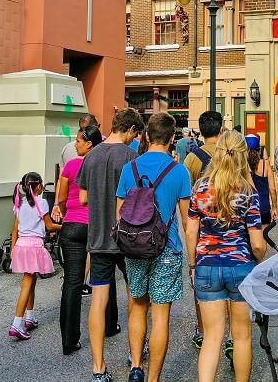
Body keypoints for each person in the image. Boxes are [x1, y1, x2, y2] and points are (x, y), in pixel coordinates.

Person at [115, 112, 191, 382]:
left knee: (137, 305)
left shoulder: (130, 168)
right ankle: (153, 378)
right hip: (167, 248)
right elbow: (186, 221)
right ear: (172, 139)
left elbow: (120, 213)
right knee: (161, 316)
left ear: (146, 136)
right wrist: (192, 261)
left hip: (135, 246)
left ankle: (136, 365)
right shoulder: (179, 171)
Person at [185, 130, 266, 382]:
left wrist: (192, 264)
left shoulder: (200, 187)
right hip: (240, 266)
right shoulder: (247, 190)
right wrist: (260, 260)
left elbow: (191, 231)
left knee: (211, 337)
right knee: (241, 336)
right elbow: (257, 242)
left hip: (207, 265)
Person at [75, 108, 144, 382]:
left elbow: (82, 197)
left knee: (98, 301)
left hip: (98, 236)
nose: (134, 139)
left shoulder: (90, 156)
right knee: (135, 300)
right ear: (129, 130)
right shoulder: (130, 156)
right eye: (134, 134)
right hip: (127, 239)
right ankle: (135, 356)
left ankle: (98, 368)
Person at [53, 125, 114, 355]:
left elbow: (60, 197)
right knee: (104, 276)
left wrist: (61, 207)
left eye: (79, 140)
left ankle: (69, 340)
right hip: (95, 225)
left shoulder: (70, 166)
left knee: (72, 282)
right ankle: (109, 324)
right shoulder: (101, 164)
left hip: (71, 226)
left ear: (89, 143)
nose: (75, 144)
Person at [181, 110, 222, 350]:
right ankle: (227, 333)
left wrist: (189, 231)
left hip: (203, 231)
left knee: (200, 282)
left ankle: (202, 329)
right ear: (220, 129)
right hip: (230, 229)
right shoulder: (232, 155)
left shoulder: (192, 159)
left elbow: (187, 201)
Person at [8, 172, 54, 340]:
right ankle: (16, 323)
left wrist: (13, 250)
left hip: (21, 246)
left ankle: (30, 317)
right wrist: (65, 225)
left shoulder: (19, 203)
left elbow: (15, 229)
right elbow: (49, 226)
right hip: (34, 246)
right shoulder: (42, 203)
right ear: (39, 186)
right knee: (27, 282)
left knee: (31, 279)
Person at [247, 135, 278, 225]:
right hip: (263, 207)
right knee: (264, 236)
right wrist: (274, 208)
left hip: (248, 207)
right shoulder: (265, 164)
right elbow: (272, 189)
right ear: (258, 148)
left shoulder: (243, 164)